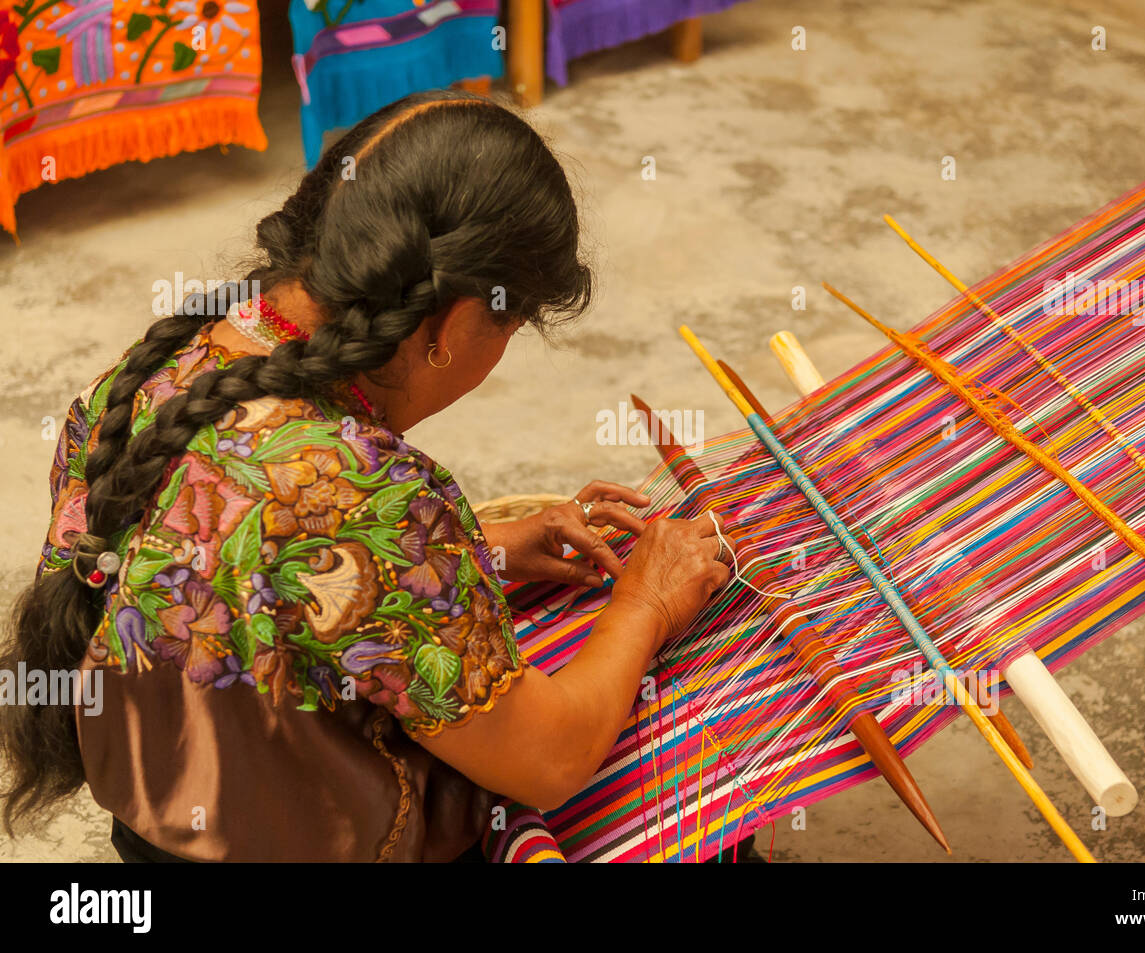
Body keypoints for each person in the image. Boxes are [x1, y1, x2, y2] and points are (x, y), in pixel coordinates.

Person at [0, 90, 737, 862]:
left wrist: (477, 547)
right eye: (510, 326)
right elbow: (550, 758)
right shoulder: (372, 493)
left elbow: (229, 549)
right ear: (451, 325)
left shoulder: (144, 379)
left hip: (151, 827)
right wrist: (646, 600)